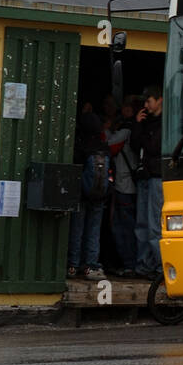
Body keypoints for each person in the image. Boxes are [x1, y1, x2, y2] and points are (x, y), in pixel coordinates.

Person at [67, 111, 108, 280]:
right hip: (99, 195)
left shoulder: (80, 145)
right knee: (93, 230)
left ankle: (72, 265)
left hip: (81, 194)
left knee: (77, 229)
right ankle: (91, 265)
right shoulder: (103, 147)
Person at [106, 95, 142, 277]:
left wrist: (104, 129)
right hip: (127, 184)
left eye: (129, 106)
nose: (125, 109)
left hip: (124, 186)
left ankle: (130, 264)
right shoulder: (132, 128)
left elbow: (109, 146)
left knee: (123, 227)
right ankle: (130, 263)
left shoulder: (127, 129)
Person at [132, 86, 164, 280]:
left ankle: (161, 267)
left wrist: (142, 133)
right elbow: (135, 146)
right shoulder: (145, 122)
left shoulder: (165, 122)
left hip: (157, 177)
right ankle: (144, 265)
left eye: (148, 101)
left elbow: (154, 147)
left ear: (159, 100)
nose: (145, 105)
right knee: (142, 223)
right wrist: (137, 125)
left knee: (154, 225)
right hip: (145, 176)